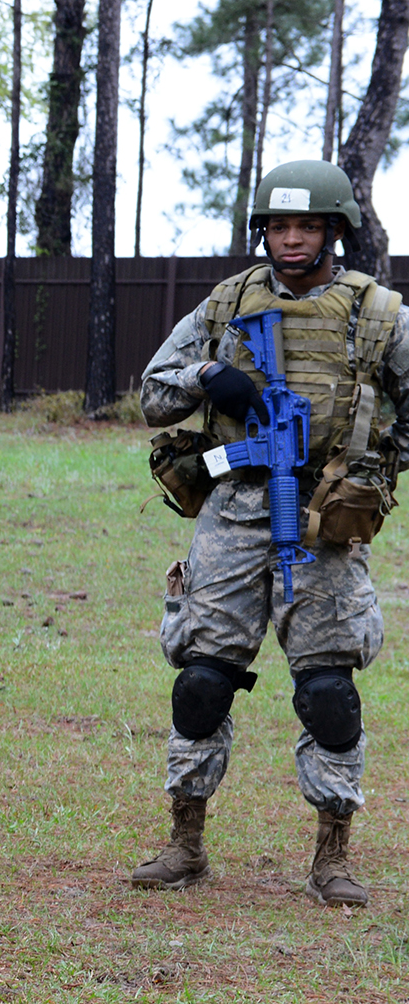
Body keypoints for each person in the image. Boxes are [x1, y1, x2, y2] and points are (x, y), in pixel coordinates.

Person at [132, 161, 408, 907]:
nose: (292, 239)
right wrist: (208, 379)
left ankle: (332, 857)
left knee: (327, 692)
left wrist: (374, 475)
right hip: (234, 509)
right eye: (280, 226)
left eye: (308, 226)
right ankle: (184, 843)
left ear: (335, 232)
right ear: (263, 231)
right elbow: (152, 396)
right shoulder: (229, 305)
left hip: (321, 520)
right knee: (200, 683)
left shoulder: (379, 315)